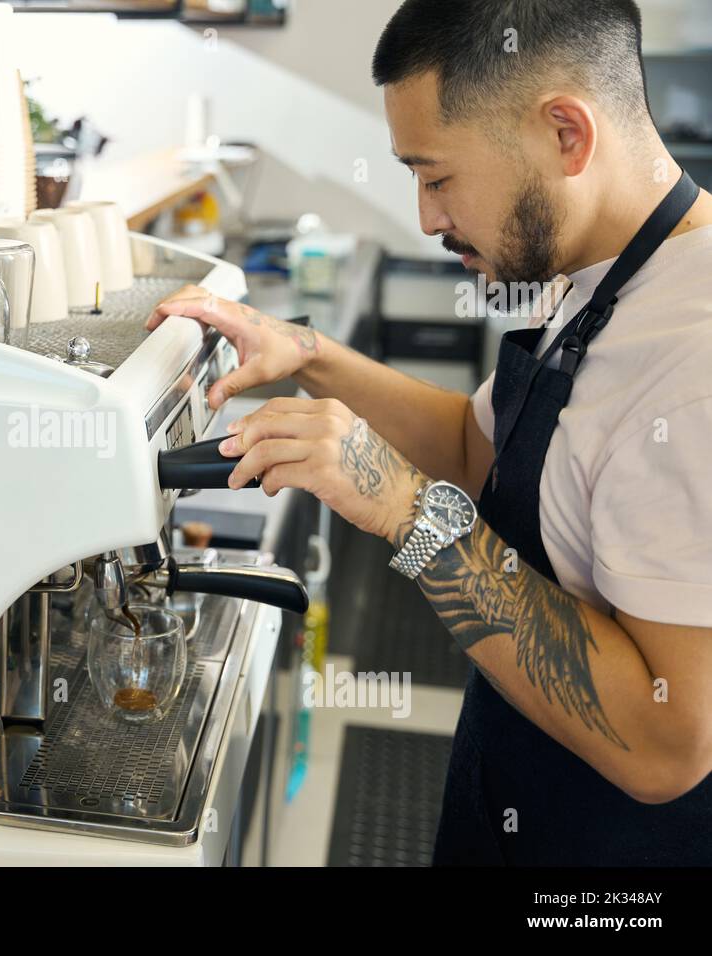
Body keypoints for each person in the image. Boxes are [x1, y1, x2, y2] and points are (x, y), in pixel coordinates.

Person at [149, 0, 712, 865]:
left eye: (437, 176)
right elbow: (475, 444)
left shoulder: (693, 355)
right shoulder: (604, 274)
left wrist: (411, 515)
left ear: (567, 133)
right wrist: (304, 351)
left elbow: (670, 745)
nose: (425, 217)